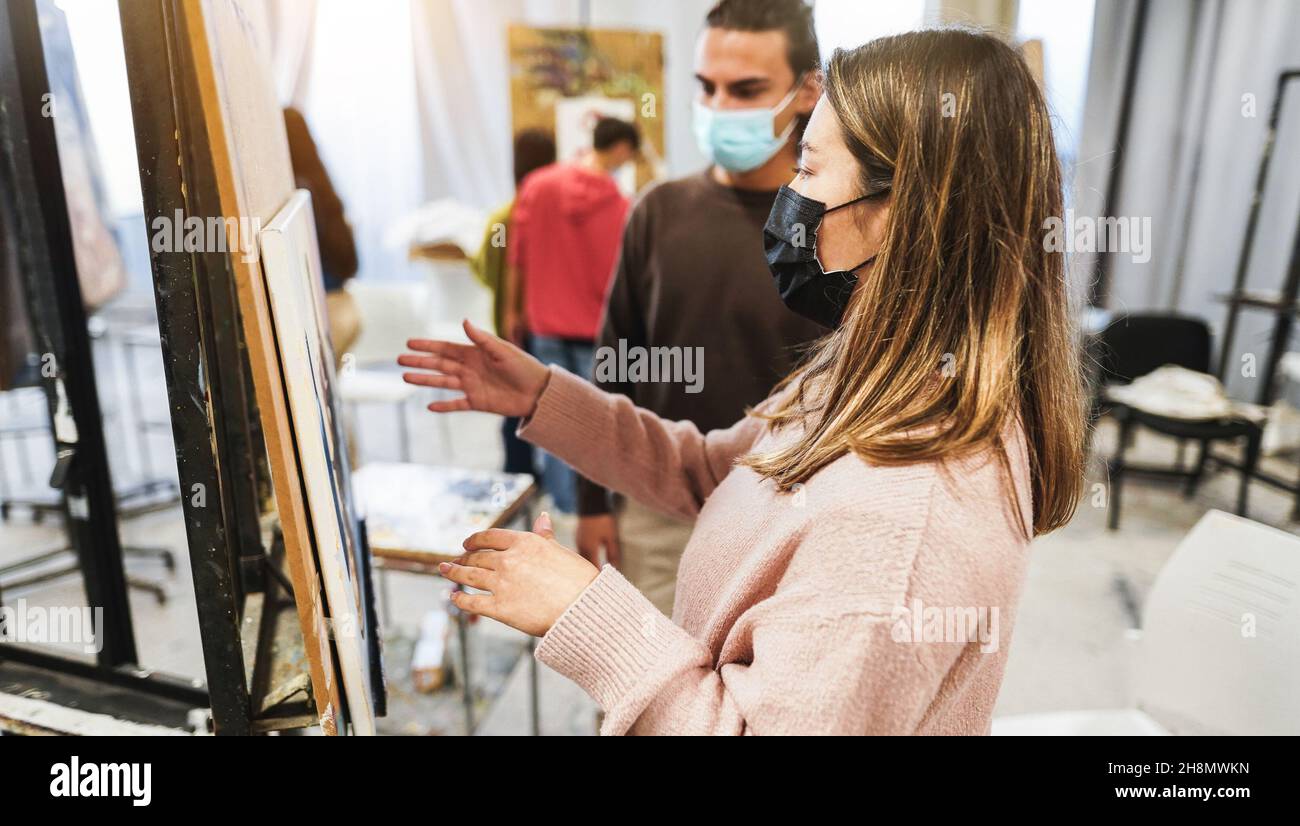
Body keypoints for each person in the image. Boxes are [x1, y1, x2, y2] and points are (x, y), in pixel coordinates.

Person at [399, 29, 1087, 735]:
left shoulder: (907, 518)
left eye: (812, 171)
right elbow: (714, 472)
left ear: (904, 211)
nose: (788, 196)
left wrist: (586, 612)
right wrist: (545, 396)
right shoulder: (870, 371)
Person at [575, 0, 827, 616]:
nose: (719, 108)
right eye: (706, 87)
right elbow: (617, 365)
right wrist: (592, 500)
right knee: (640, 692)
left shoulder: (839, 224)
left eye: (746, 90)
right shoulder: (658, 213)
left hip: (789, 514)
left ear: (807, 90)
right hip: (659, 511)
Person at [504, 116, 639, 513]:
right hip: (595, 330)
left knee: (552, 420)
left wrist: (513, 309)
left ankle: (563, 507)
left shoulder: (538, 185)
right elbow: (621, 276)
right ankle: (591, 506)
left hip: (544, 324)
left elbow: (517, 255)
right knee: (593, 423)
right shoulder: (620, 205)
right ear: (619, 149)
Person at [468, 129, 556, 475]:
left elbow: (485, 270)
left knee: (513, 409)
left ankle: (519, 478)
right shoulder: (555, 219)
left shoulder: (502, 218)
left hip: (511, 331)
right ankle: (555, 484)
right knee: (553, 405)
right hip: (550, 327)